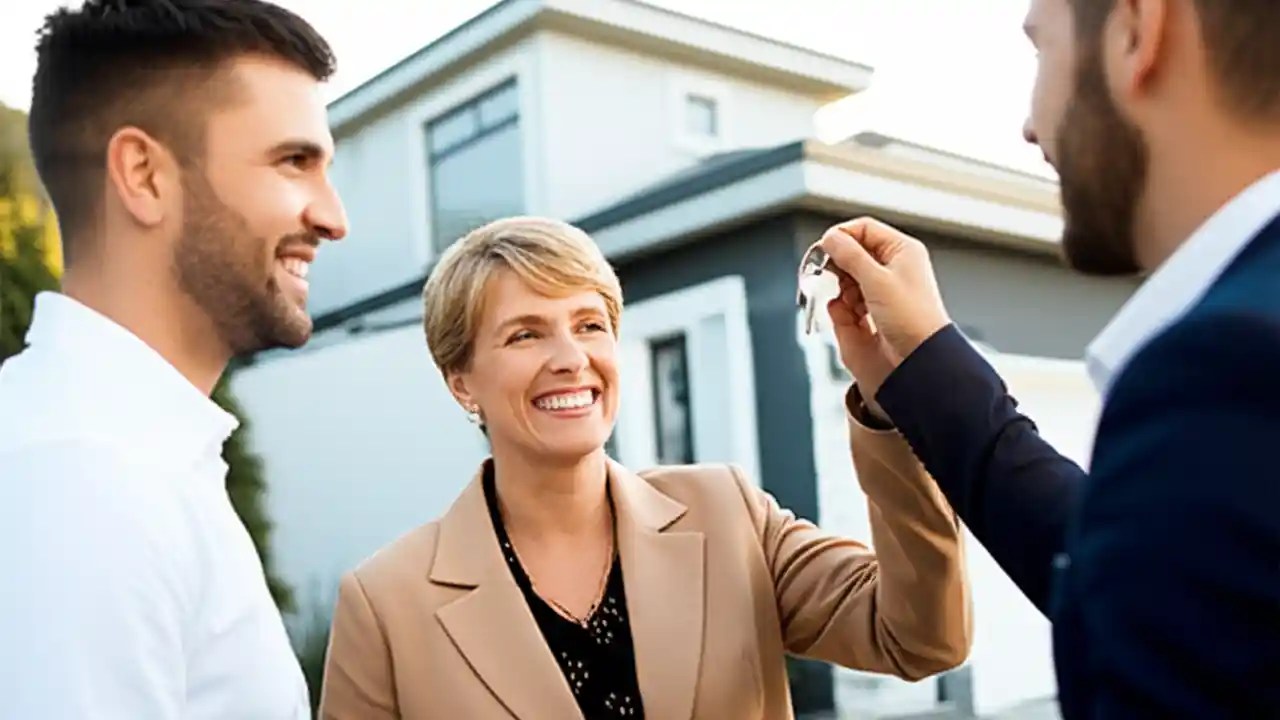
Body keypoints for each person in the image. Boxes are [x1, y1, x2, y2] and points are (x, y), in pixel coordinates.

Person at [815, 0, 1280, 717]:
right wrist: (921, 369)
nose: (1030, 128)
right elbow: (1147, 582)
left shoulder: (1228, 370)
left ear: (1137, 29)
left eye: (1041, 51)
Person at [319, 216, 971, 720]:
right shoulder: (385, 605)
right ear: (462, 383)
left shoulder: (727, 512)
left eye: (590, 325)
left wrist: (894, 398)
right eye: (526, 334)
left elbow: (921, 639)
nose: (572, 357)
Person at [0, 1, 347, 717]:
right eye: (293, 162)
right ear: (145, 175)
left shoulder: (128, 459)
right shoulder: (84, 477)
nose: (333, 216)